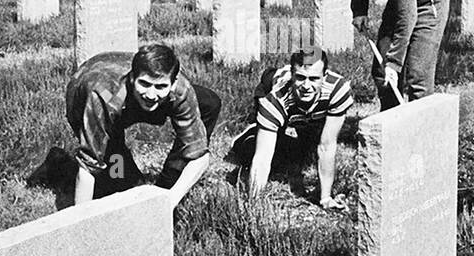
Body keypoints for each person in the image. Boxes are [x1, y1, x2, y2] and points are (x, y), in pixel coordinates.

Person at [28, 45, 222, 208]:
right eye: (144, 83)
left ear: (173, 84)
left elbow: (200, 156)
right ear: (132, 78)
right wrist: (81, 228)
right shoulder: (102, 97)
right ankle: (58, 163)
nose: (152, 94)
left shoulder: (180, 89)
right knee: (119, 182)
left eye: (161, 86)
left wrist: (170, 199)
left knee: (209, 102)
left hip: (129, 95)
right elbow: (89, 169)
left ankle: (169, 178)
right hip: (89, 93)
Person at [228, 46, 354, 209]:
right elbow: (262, 158)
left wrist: (326, 198)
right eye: (300, 77)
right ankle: (250, 132)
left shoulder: (338, 90)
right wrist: (254, 203)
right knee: (264, 151)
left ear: (325, 76)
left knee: (308, 145)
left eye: (314, 79)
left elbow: (327, 146)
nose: (307, 86)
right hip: (272, 85)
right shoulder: (274, 100)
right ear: (292, 75)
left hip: (307, 108)